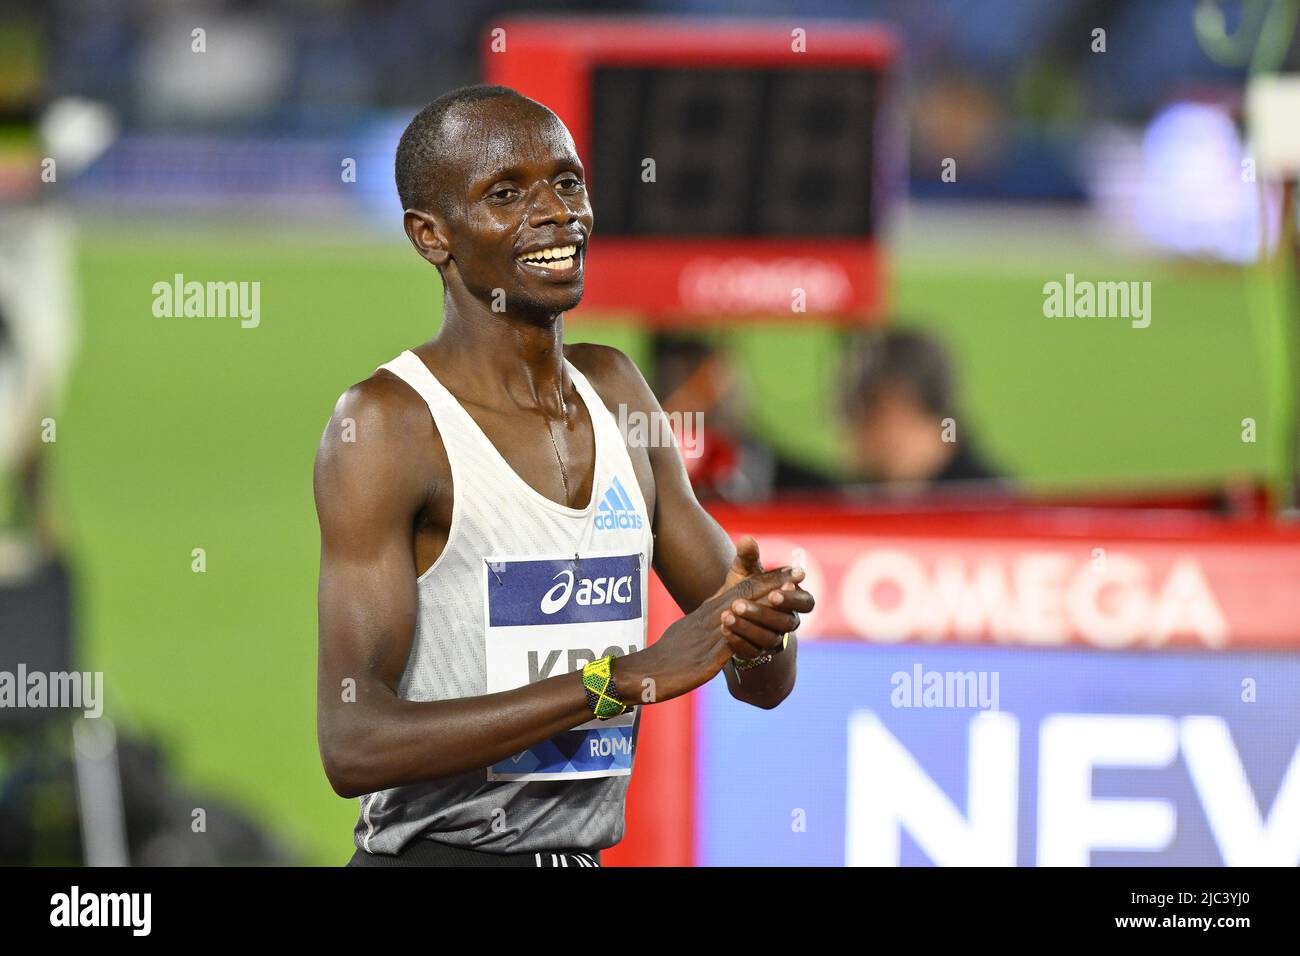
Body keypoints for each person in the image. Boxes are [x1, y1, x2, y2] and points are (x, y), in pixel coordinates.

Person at [313, 85, 814, 867]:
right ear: (431, 235)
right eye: (506, 193)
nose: (557, 212)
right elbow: (354, 743)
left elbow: (761, 682)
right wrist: (620, 682)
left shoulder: (617, 393)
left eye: (568, 182)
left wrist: (756, 627)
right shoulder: (389, 425)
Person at [840, 328, 1004, 490]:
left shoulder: (992, 503)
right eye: (867, 420)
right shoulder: (855, 496)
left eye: (902, 418)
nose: (886, 436)